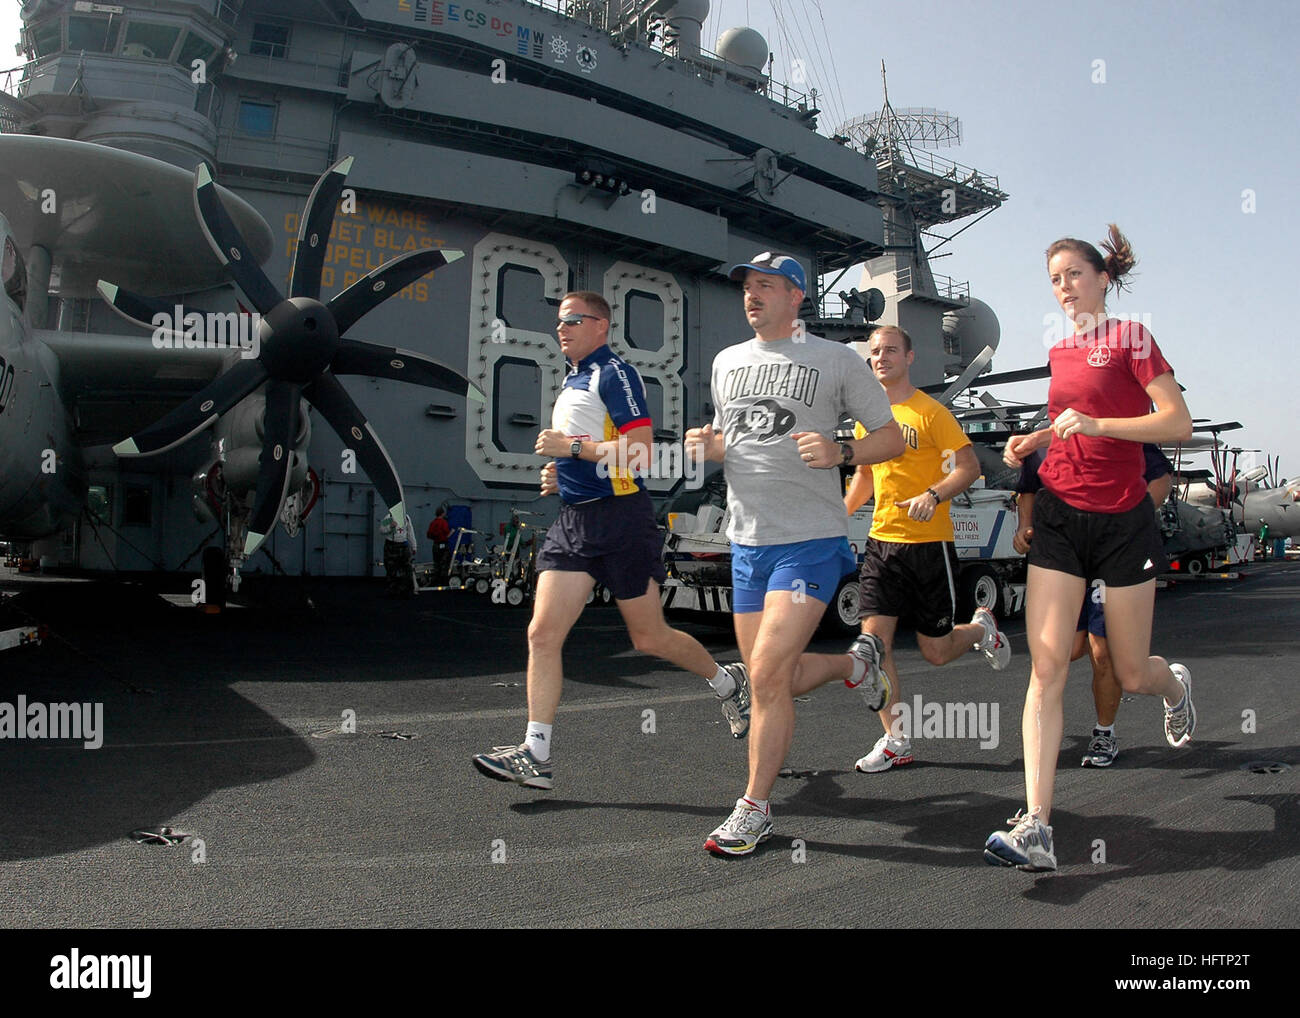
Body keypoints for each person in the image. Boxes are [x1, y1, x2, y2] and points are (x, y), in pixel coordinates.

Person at [472, 291, 751, 791]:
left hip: (622, 521)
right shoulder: (574, 378)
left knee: (649, 638)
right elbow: (596, 459)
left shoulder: (614, 374)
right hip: (575, 521)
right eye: (559, 321)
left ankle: (728, 682)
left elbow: (641, 455)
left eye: (573, 320)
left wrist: (571, 448)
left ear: (601, 325)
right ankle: (536, 752)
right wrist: (565, 476)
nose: (562, 328)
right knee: (541, 634)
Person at [985, 225, 1195, 873]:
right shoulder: (1063, 352)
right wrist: (1036, 439)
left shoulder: (1133, 338)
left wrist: (1099, 424)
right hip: (1059, 514)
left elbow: (1176, 423)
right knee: (1047, 668)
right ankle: (1037, 826)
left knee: (1130, 673)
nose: (1064, 288)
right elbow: (1072, 421)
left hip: (1123, 519)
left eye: (1074, 273)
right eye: (1054, 279)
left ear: (1103, 278)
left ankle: (1174, 686)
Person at [686, 252, 905, 856]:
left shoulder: (835, 360)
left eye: (765, 286)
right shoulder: (726, 362)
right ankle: (856, 666)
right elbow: (736, 439)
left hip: (809, 539)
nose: (751, 296)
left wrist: (842, 453)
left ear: (796, 296)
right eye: (747, 287)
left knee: (763, 673)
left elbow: (889, 437)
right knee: (768, 682)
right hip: (746, 539)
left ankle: (754, 808)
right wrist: (710, 446)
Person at [793, 325, 1012, 775]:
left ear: (910, 357)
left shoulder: (930, 413)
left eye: (891, 350)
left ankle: (980, 630)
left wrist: (932, 495)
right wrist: (836, 515)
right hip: (882, 543)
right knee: (875, 644)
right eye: (874, 351)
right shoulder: (866, 418)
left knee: (936, 650)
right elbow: (867, 477)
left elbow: (968, 468)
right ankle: (896, 738)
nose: (881, 357)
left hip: (930, 546)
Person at [1013, 444, 1173, 767]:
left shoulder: (1115, 430)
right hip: (1063, 558)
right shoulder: (1043, 442)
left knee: (1102, 651)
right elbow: (1028, 488)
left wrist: (1129, 519)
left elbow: (1161, 478)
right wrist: (1024, 525)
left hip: (1110, 557)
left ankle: (1104, 732)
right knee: (1068, 649)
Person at [381, 511, 417, 597]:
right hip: (391, 545)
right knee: (391, 569)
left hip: (403, 545)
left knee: (406, 569)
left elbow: (410, 532)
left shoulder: (406, 518)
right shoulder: (388, 518)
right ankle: (392, 591)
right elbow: (382, 530)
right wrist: (390, 527)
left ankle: (405, 591)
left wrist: (414, 546)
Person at [427, 506, 451, 582]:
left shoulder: (433, 523)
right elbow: (447, 532)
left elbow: (429, 534)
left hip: (436, 544)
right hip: (443, 544)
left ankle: (436, 579)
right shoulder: (444, 522)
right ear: (442, 513)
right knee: (444, 562)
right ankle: (444, 580)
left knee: (436, 562)